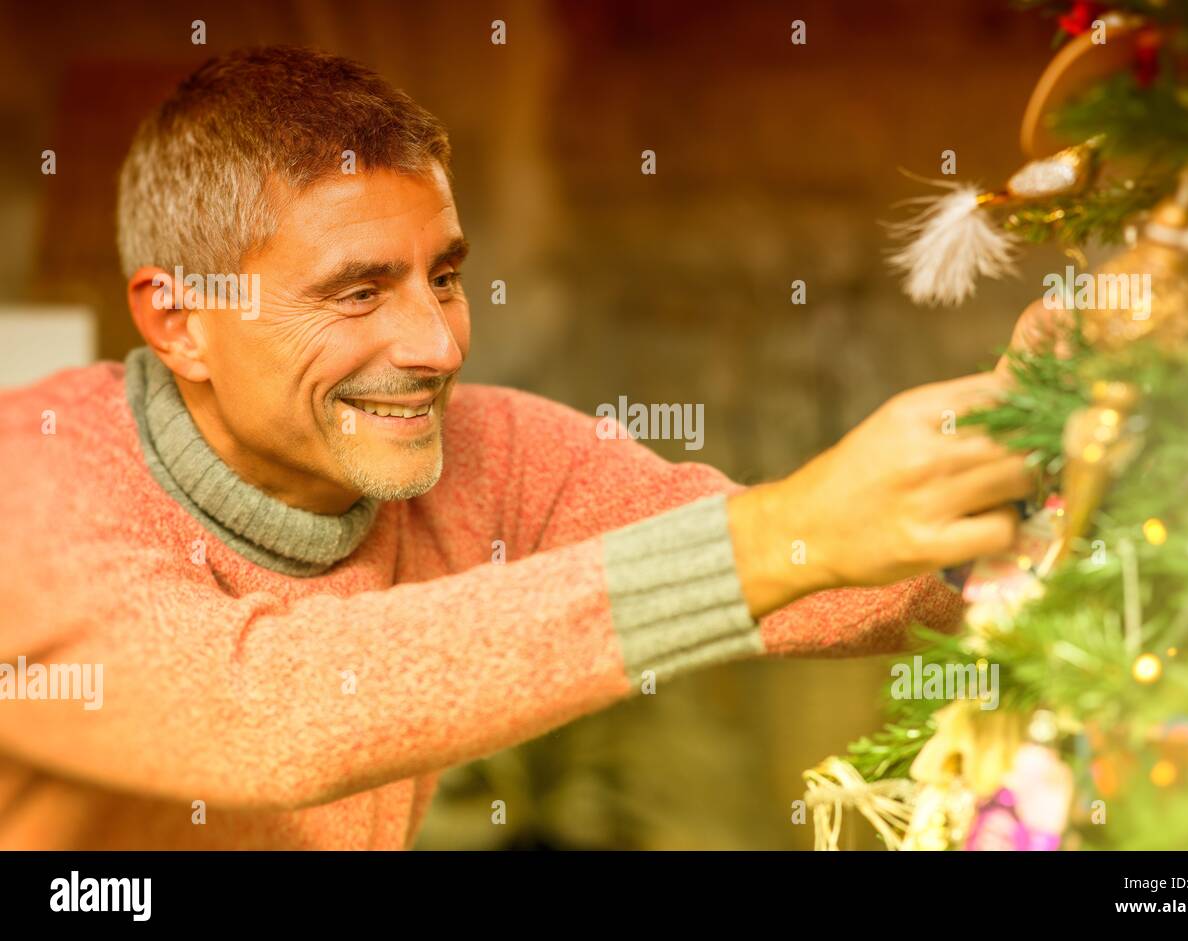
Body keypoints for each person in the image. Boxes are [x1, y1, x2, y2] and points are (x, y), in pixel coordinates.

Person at [0, 46, 1040, 849]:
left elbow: (825, 573)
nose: (438, 343)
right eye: (358, 291)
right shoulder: (34, 482)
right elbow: (261, 709)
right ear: (180, 321)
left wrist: (1047, 452)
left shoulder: (494, 452)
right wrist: (777, 535)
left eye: (443, 276)